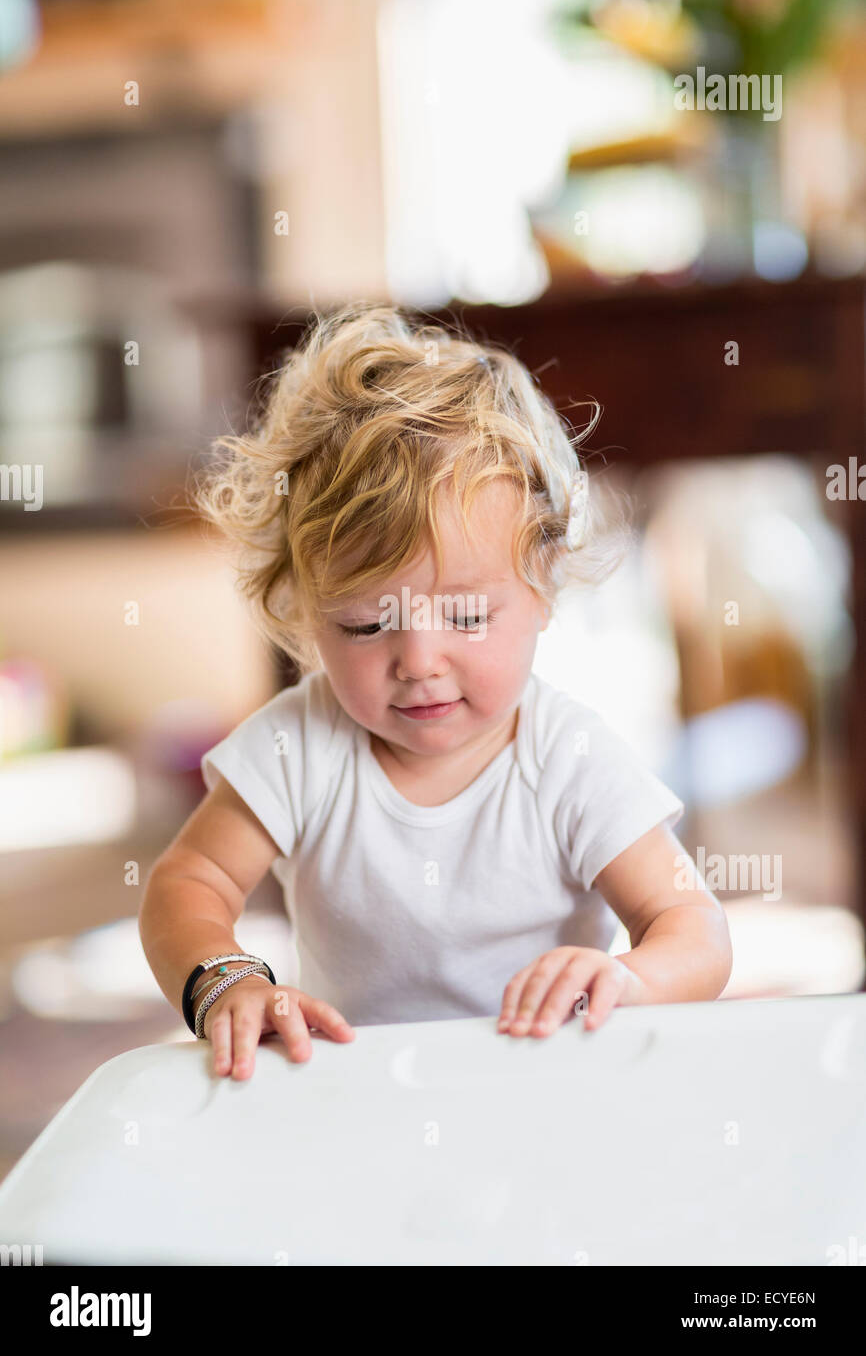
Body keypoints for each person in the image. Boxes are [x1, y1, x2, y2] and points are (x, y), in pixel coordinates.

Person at [139, 301, 731, 1080]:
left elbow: (692, 925)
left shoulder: (570, 757)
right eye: (362, 626)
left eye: (465, 615)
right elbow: (189, 883)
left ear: (543, 586)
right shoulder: (297, 745)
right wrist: (226, 981)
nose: (418, 661)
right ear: (305, 609)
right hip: (352, 1095)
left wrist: (630, 978)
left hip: (541, 1088)